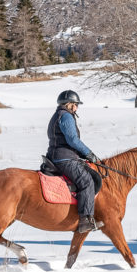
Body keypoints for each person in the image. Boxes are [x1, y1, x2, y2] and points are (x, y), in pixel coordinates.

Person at [46, 89, 102, 233]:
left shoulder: (57, 115)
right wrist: (89, 154)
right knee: (87, 181)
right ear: (69, 104)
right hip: (64, 158)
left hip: (58, 155)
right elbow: (72, 140)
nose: (76, 107)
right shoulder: (66, 116)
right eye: (76, 104)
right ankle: (85, 220)